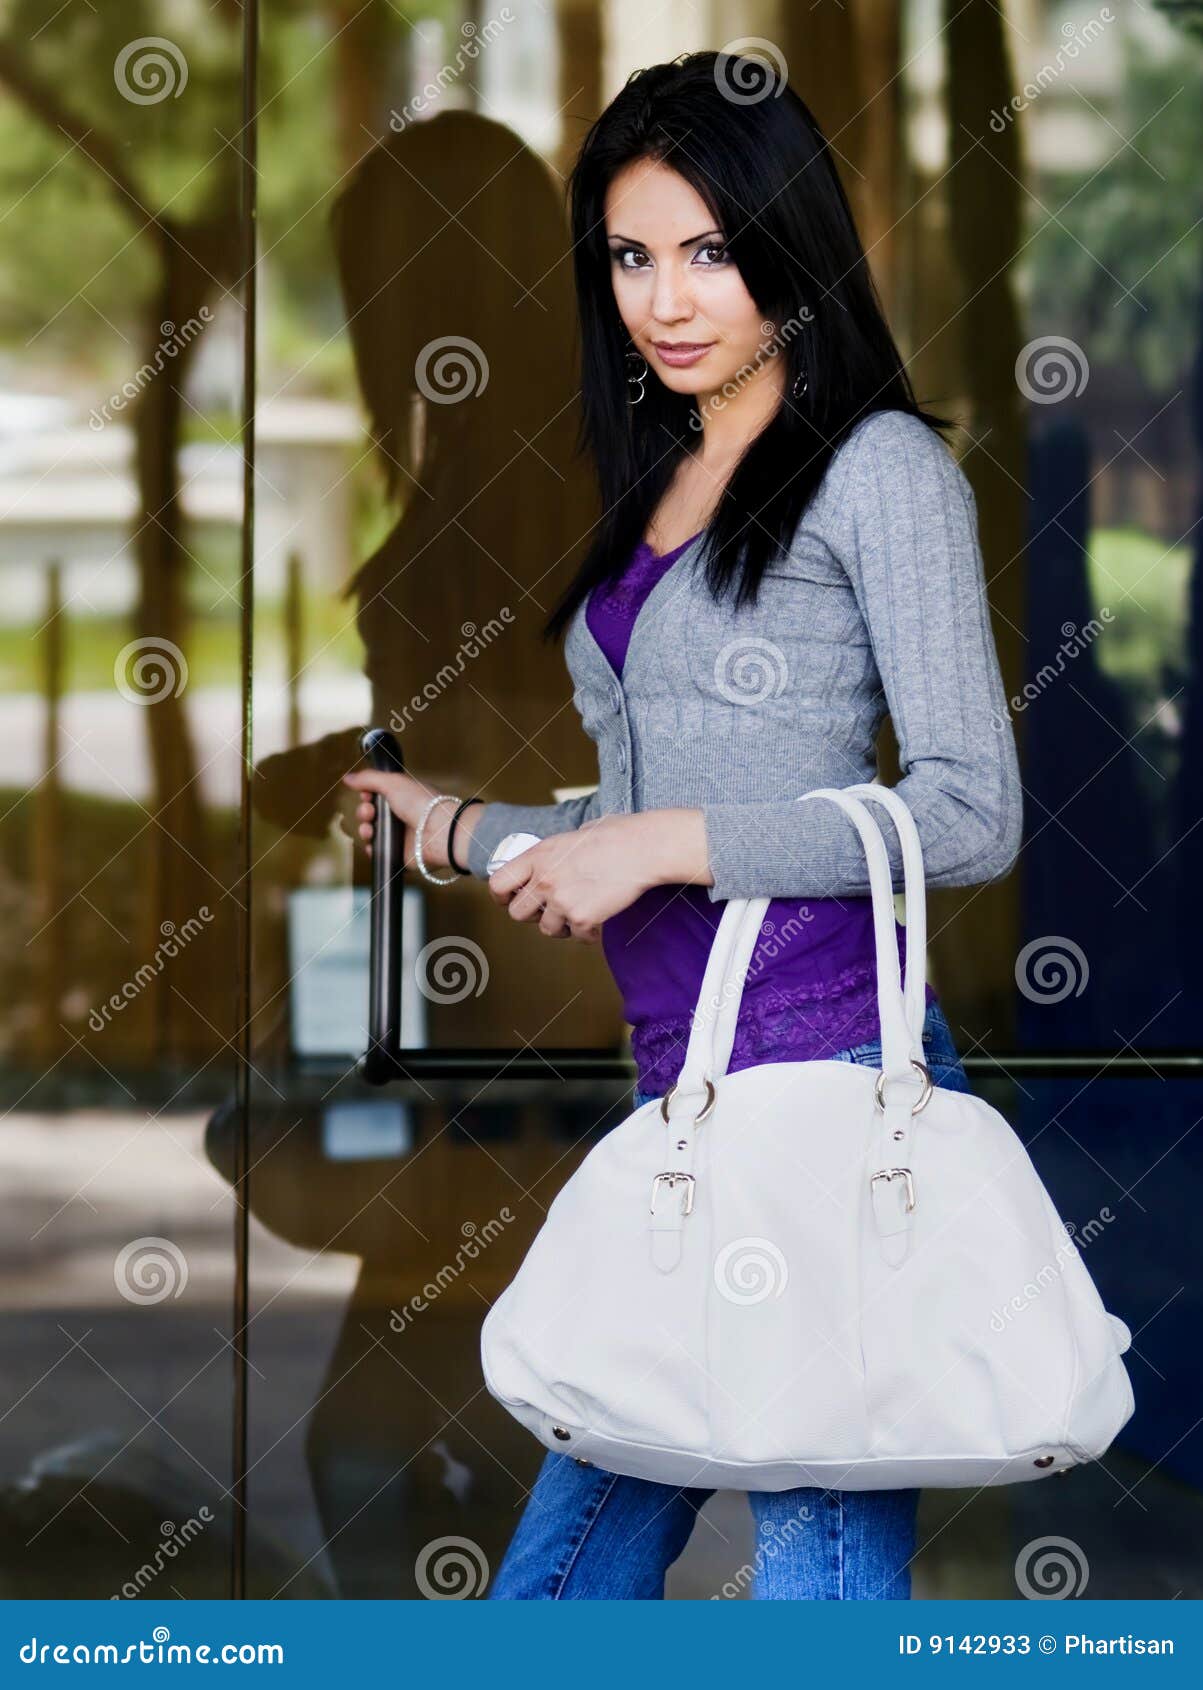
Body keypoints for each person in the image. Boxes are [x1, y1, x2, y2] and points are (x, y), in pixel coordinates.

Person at [344, 51, 1022, 1601]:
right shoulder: (649, 472)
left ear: (786, 243)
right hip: (691, 1104)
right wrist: (464, 829)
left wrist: (659, 847)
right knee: (555, 1604)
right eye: (632, 256)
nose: (665, 297)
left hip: (830, 1093)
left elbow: (969, 811)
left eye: (708, 249)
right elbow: (645, 813)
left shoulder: (878, 472)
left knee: (811, 1603)